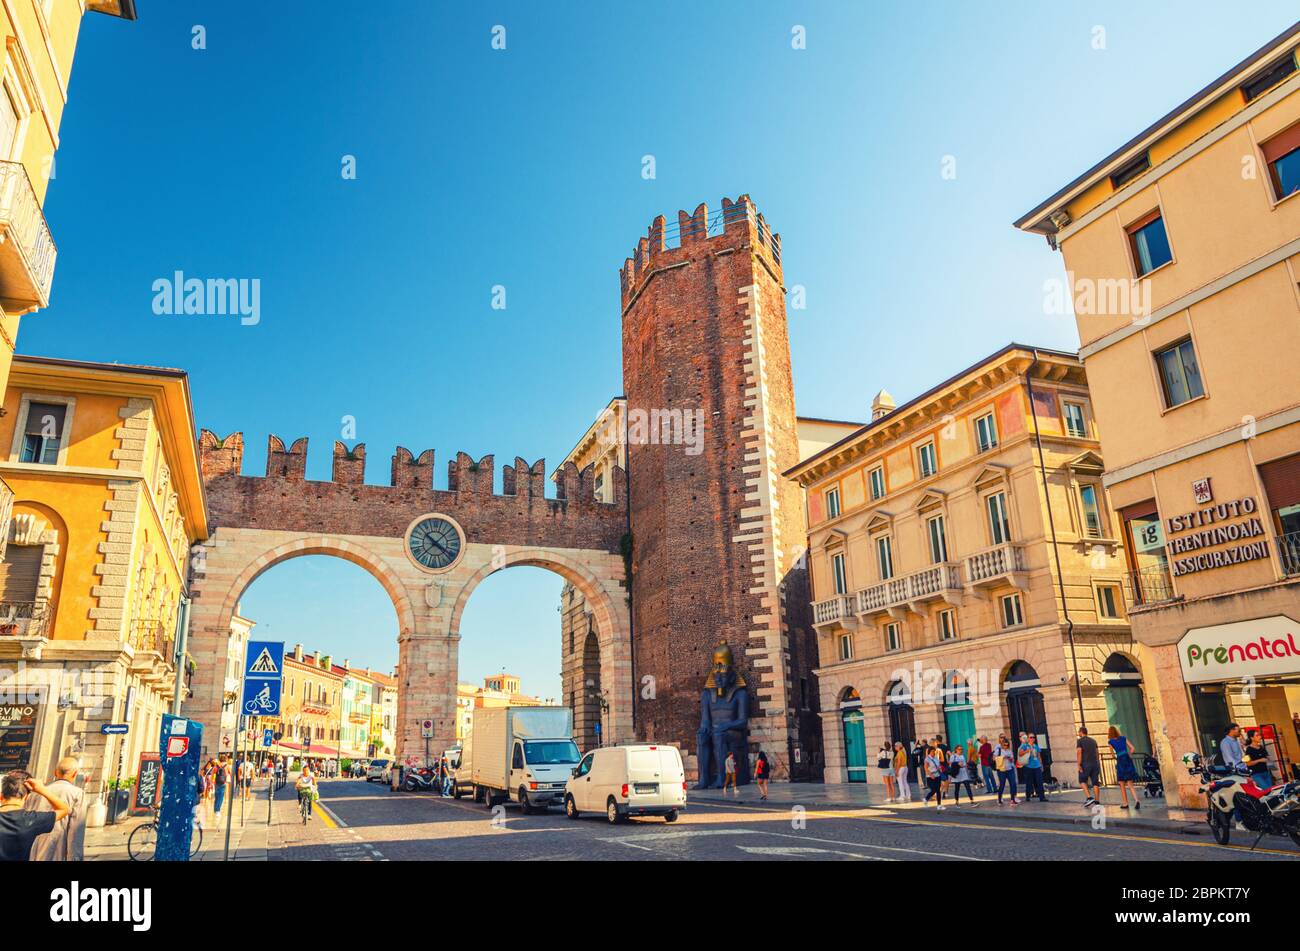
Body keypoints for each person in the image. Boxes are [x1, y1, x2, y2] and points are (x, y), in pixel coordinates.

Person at [25, 757, 86, 862]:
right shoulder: (77, 793)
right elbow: (76, 831)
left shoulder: (36, 793)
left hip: (34, 850)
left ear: (55, 773)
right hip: (58, 850)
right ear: (75, 774)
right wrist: (75, 858)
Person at [0, 771, 69, 863]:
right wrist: (42, 790)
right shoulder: (32, 819)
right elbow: (64, 809)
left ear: (1, 796)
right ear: (26, 797)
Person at [1106, 726, 1139, 810]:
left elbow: (1112, 754)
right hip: (1127, 759)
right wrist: (1129, 754)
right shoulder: (1123, 738)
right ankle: (1136, 800)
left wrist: (1116, 757)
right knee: (1130, 783)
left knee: (1121, 783)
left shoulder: (1110, 741)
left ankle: (1125, 803)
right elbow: (1132, 748)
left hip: (1120, 760)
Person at [1076, 727, 1103, 808]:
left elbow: (1079, 752)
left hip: (1085, 764)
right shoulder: (1093, 741)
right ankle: (1097, 801)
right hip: (1095, 764)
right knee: (1095, 782)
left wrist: (1079, 764)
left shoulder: (1080, 741)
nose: (1078, 733)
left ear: (1081, 732)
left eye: (1079, 732)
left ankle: (1089, 797)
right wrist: (1097, 763)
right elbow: (1097, 753)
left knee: (1082, 780)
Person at [1019, 733, 1047, 802]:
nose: (1032, 739)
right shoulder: (1025, 745)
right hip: (1029, 766)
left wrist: (1041, 765)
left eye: (1033, 737)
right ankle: (1028, 796)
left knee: (1040, 782)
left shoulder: (1035, 746)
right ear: (1028, 738)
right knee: (1029, 782)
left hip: (1037, 766)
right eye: (1031, 737)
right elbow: (1020, 753)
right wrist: (1027, 751)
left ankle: (1042, 797)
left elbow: (1039, 756)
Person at [993, 733, 1018, 805]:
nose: (1006, 746)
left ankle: (1012, 799)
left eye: (1007, 745)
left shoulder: (1009, 750)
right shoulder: (999, 750)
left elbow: (1012, 759)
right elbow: (994, 758)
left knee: (1013, 784)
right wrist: (1002, 757)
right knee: (1002, 784)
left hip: (1010, 769)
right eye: (1004, 745)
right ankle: (999, 799)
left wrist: (1010, 759)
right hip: (1001, 770)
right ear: (1002, 744)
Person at [923, 741, 946, 811]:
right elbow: (926, 768)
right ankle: (926, 798)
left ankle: (939, 805)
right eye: (932, 751)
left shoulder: (936, 758)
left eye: (934, 751)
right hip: (930, 776)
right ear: (929, 752)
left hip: (937, 775)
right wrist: (930, 774)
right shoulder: (927, 759)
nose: (934, 752)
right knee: (934, 789)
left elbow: (938, 765)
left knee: (938, 790)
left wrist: (940, 769)